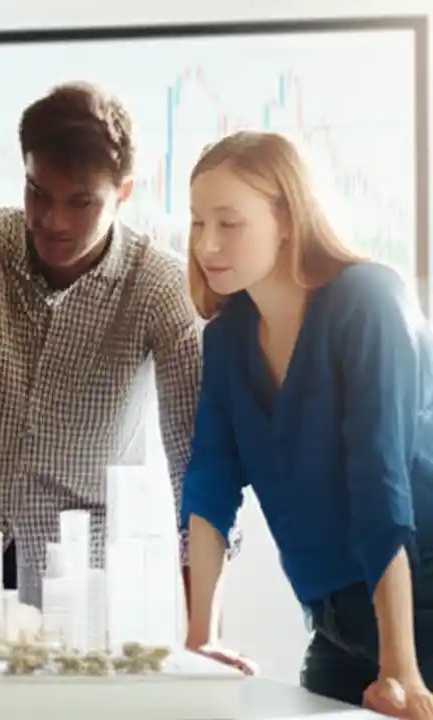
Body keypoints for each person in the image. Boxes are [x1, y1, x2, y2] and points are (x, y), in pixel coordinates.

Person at [181, 130, 433, 716]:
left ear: (288, 218)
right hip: (335, 623)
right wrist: (201, 640)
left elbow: (380, 483)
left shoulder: (367, 300)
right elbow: (209, 487)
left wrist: (401, 668)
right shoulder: (226, 339)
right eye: (196, 223)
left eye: (229, 223)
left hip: (418, 609)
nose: (207, 244)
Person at [0, 82, 202, 604]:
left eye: (81, 202)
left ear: (124, 193)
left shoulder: (159, 285)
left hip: (86, 569)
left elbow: (193, 458)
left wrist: (202, 623)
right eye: (38, 193)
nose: (53, 222)